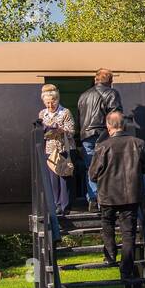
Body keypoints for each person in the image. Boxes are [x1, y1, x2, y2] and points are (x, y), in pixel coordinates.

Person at [88, 111, 145, 288]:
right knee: (128, 234)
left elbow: (92, 174)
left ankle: (110, 255)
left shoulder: (102, 146)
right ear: (123, 125)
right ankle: (126, 270)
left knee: (107, 224)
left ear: (109, 126)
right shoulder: (138, 144)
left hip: (108, 195)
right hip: (131, 196)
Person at [76, 69, 123, 211]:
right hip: (104, 134)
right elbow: (115, 115)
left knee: (90, 167)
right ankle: (107, 199)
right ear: (110, 81)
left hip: (86, 136)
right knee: (108, 166)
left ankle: (93, 198)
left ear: (96, 80)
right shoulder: (111, 93)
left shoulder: (83, 96)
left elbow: (79, 118)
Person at [39, 85, 75, 237]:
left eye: (52, 101)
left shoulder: (65, 112)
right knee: (53, 178)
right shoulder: (42, 113)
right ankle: (56, 205)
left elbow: (72, 131)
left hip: (63, 148)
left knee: (64, 178)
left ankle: (65, 206)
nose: (50, 105)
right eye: (47, 102)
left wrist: (61, 130)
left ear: (57, 99)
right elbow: (41, 131)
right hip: (50, 150)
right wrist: (46, 130)